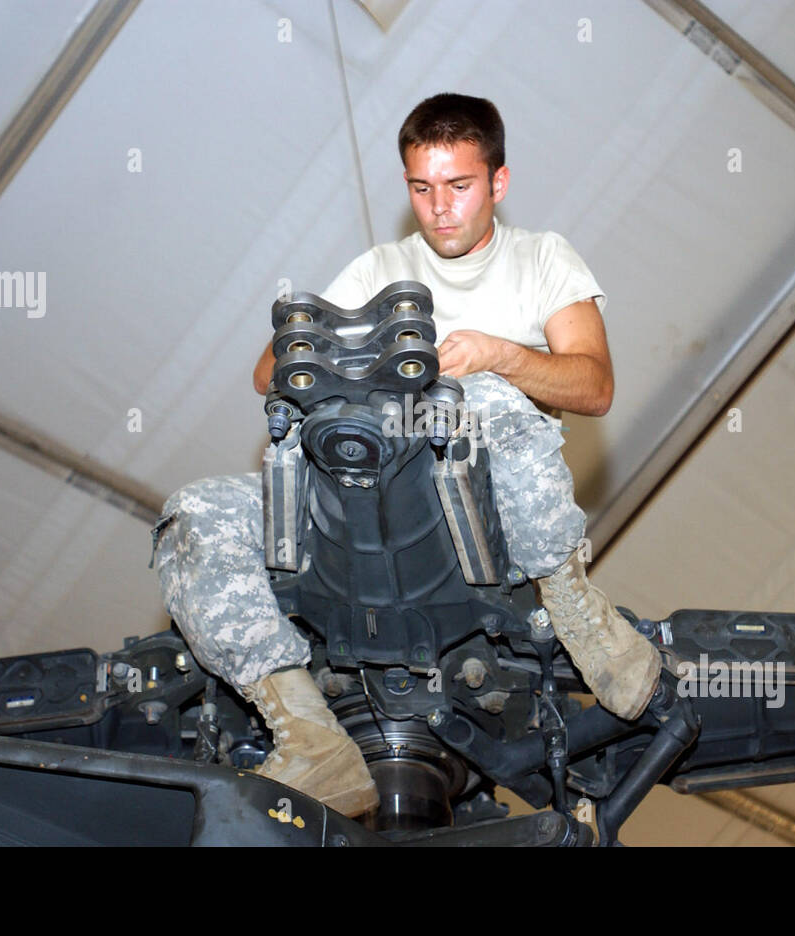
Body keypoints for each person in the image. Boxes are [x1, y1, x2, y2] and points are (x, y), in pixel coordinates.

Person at [152, 93, 660, 819]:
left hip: (487, 534)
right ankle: (308, 733)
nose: (440, 209)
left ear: (499, 183)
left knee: (480, 397)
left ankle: (579, 616)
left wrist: (501, 356)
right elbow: (269, 374)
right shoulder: (380, 271)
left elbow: (595, 385)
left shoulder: (542, 259)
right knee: (193, 512)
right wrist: (334, 351)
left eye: (459, 186)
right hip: (363, 512)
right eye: (422, 189)